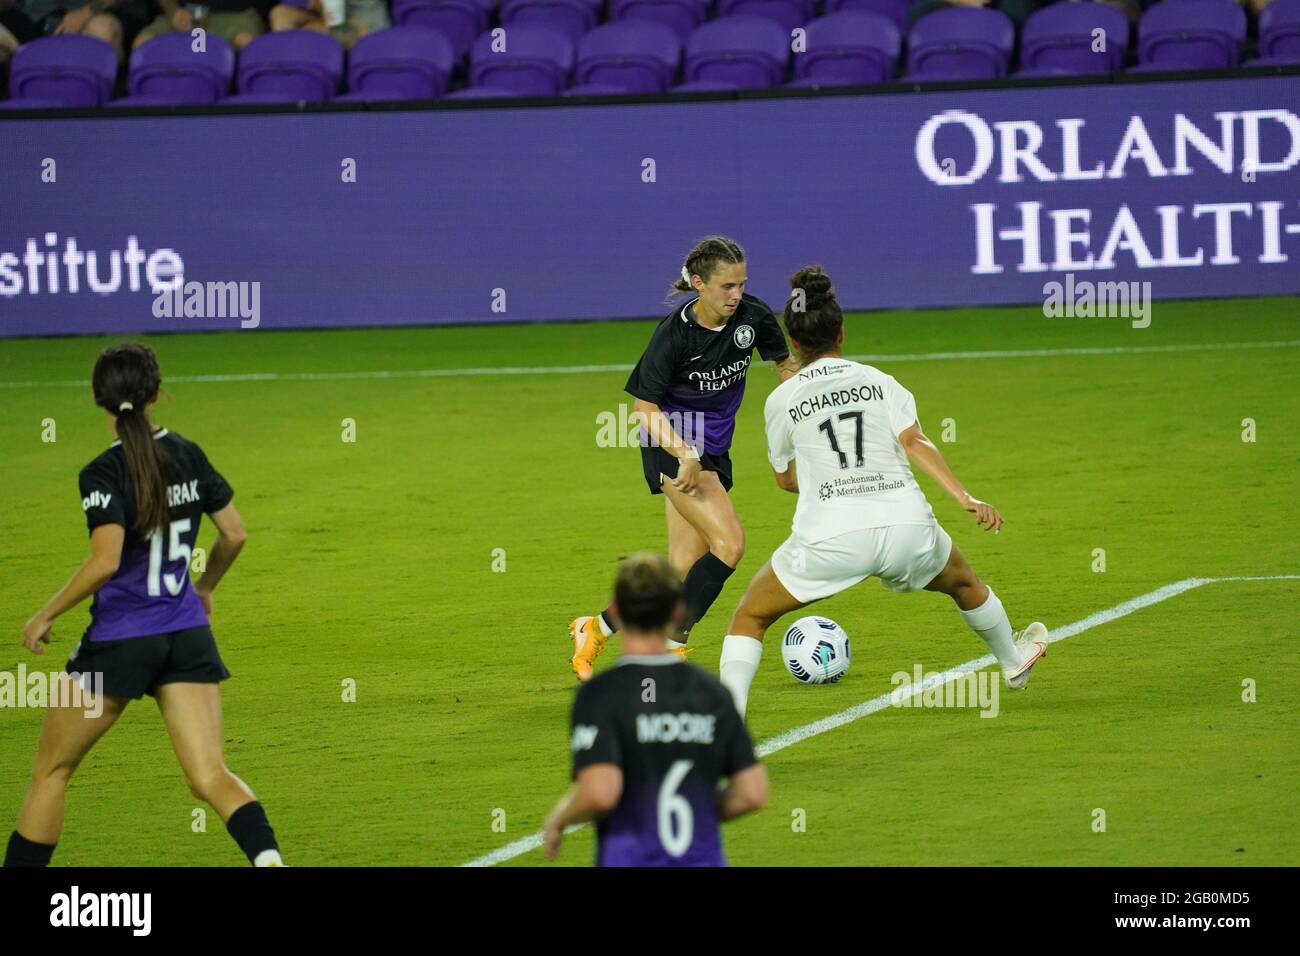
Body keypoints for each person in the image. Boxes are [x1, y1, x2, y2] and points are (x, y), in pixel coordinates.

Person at [717, 266, 1047, 720]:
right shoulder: (880, 381)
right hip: (906, 527)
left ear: (793, 343)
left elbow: (787, 481)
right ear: (842, 333)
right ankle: (1012, 661)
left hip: (830, 538)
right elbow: (915, 441)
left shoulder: (782, 399)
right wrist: (965, 497)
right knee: (965, 582)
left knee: (750, 618)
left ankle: (728, 725)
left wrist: (823, 479)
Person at [5, 343, 284, 868]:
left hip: (119, 644)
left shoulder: (103, 473)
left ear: (99, 400)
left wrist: (46, 613)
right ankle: (268, 859)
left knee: (52, 773)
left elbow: (105, 561)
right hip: (185, 636)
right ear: (157, 393)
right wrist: (204, 587)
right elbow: (234, 534)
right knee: (209, 776)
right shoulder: (188, 453)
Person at [568, 236, 799, 681]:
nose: (736, 295)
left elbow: (785, 365)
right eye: (726, 287)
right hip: (675, 443)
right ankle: (669, 649)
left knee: (681, 570)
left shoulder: (752, 316)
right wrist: (684, 453)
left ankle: (594, 628)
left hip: (714, 447)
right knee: (730, 546)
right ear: (698, 284)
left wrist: (805, 407)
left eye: (741, 284)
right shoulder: (673, 335)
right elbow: (644, 409)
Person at [545, 553, 768, 866]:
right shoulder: (712, 693)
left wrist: (558, 819)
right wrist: (695, 808)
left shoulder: (600, 694)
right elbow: (752, 793)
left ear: (618, 611)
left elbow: (600, 793)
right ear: (678, 611)